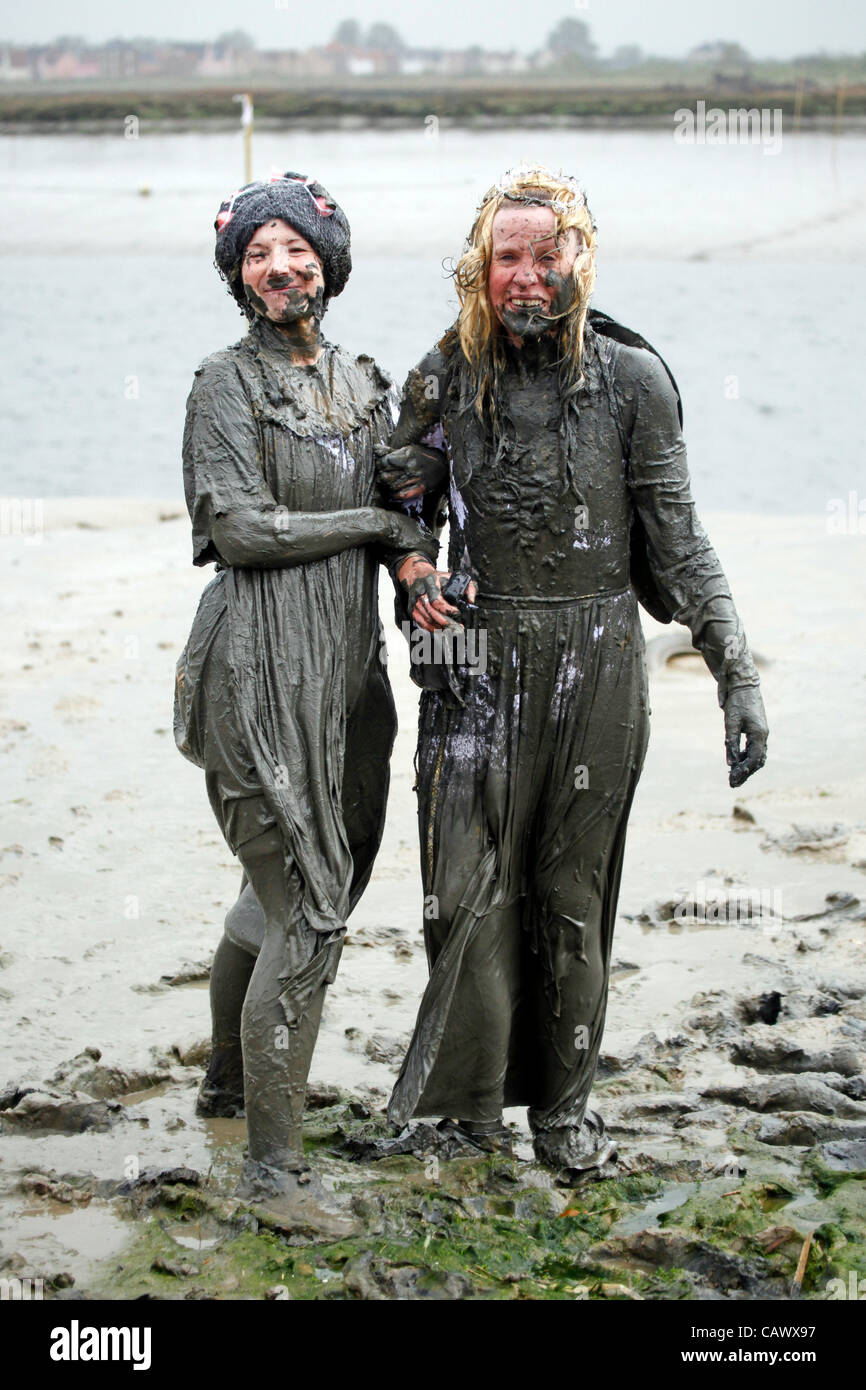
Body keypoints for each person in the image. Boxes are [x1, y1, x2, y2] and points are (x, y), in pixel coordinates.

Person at [376, 164, 768, 1171]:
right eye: (505, 257)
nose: (524, 275)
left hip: (595, 660)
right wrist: (416, 566)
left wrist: (737, 673)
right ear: (478, 268)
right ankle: (466, 1115)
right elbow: (396, 491)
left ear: (579, 258)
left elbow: (678, 544)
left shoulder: (632, 381)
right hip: (469, 656)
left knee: (569, 897)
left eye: (544, 254)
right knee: (460, 889)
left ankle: (559, 1111)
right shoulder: (441, 376)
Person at [173, 171, 437, 1217]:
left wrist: (412, 556)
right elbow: (235, 530)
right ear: (237, 275)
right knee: (310, 909)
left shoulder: (362, 383)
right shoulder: (222, 385)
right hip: (251, 672)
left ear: (329, 261)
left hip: (347, 680)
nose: (279, 267)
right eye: (256, 253)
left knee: (296, 886)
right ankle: (274, 1174)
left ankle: (228, 1085)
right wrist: (374, 531)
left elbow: (397, 501)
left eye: (295, 249)